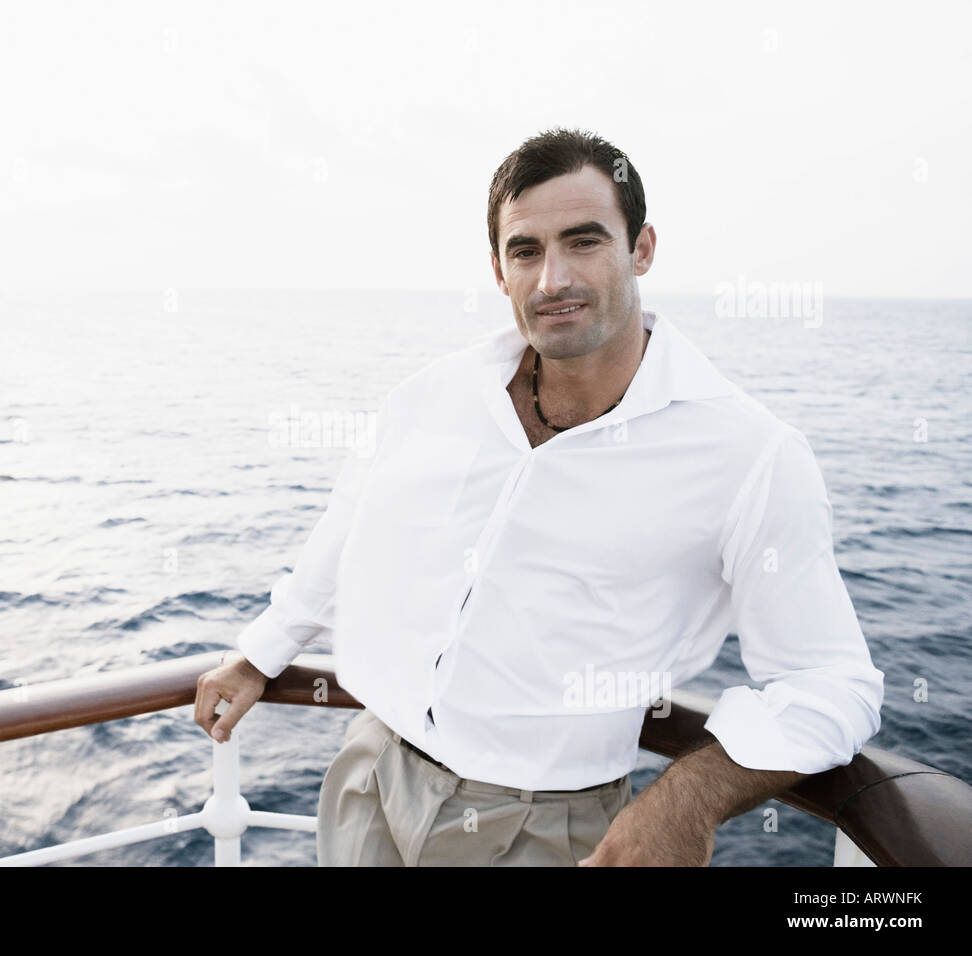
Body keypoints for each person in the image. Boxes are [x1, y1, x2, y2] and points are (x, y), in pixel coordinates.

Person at [193, 127, 885, 866]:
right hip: (372, 775)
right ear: (498, 269)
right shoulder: (432, 395)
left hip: (546, 829)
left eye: (584, 241)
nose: (553, 278)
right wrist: (261, 653)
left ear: (641, 249)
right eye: (526, 250)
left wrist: (686, 800)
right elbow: (350, 529)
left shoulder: (750, 455)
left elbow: (830, 684)